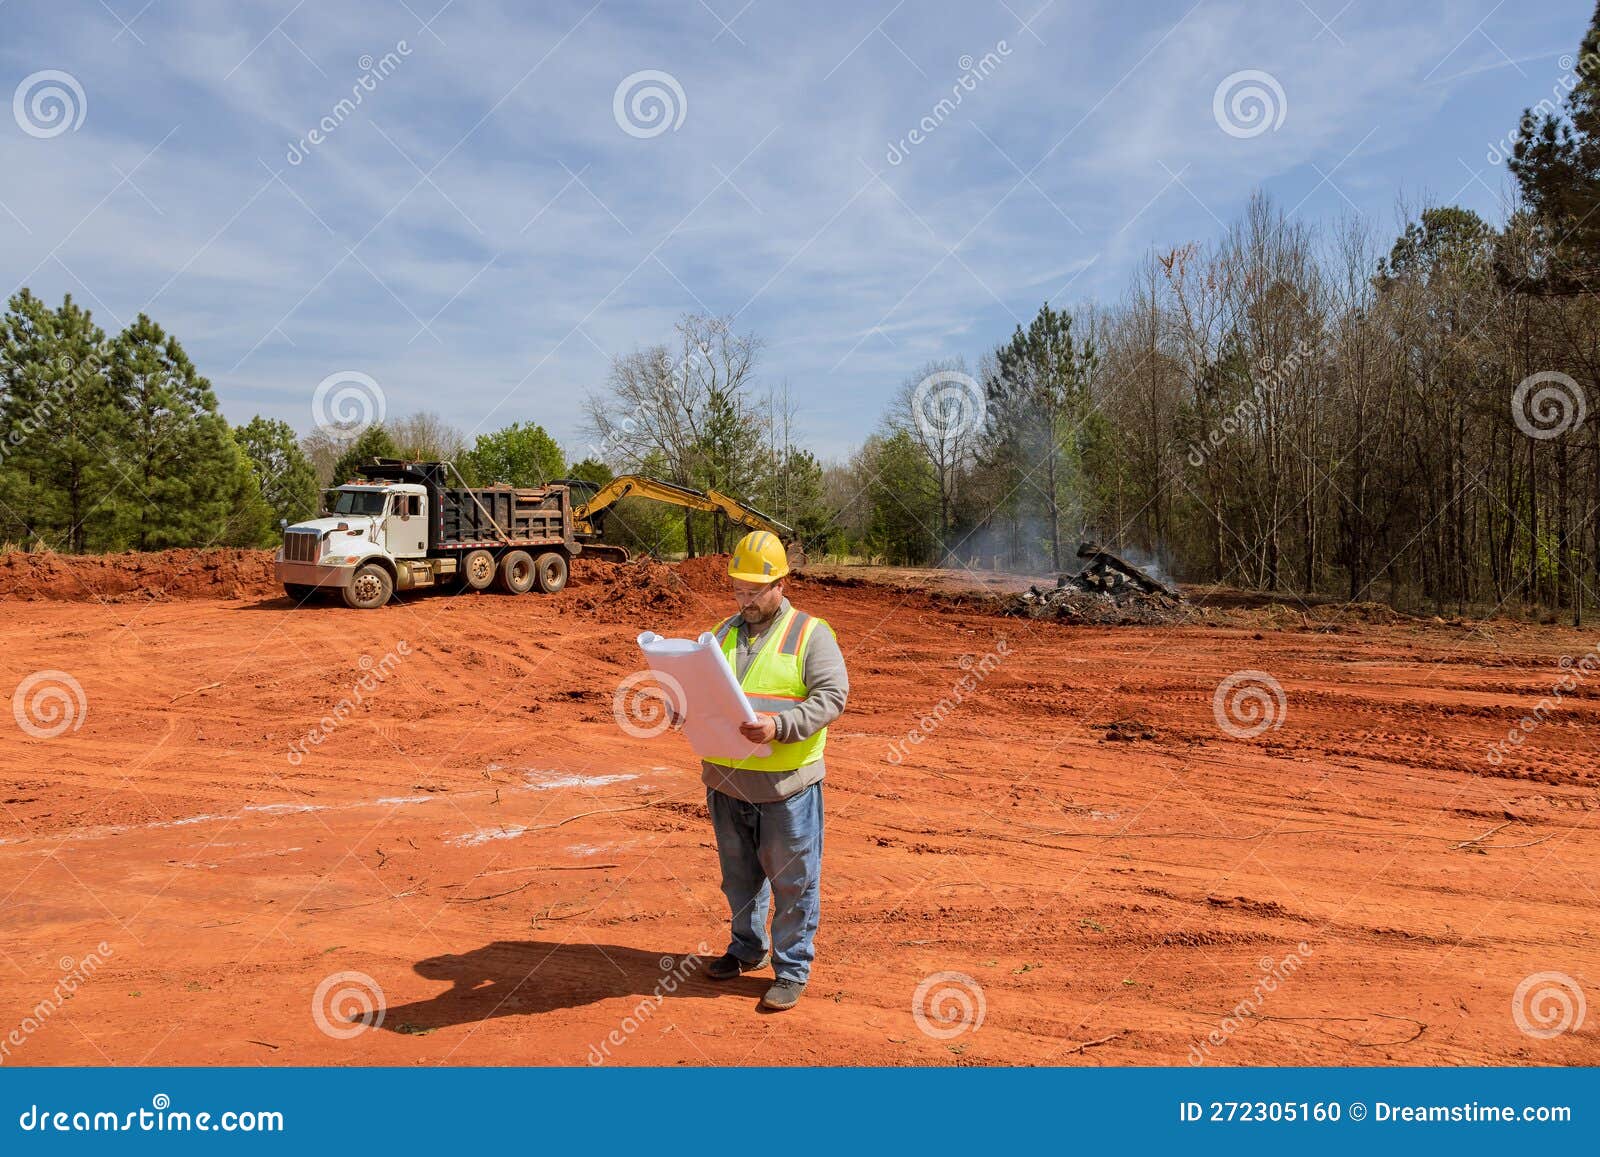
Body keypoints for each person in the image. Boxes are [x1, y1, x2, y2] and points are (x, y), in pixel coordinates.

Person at [696, 531, 849, 1011]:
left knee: (792, 882)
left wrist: (781, 725)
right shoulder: (720, 634)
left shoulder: (810, 633)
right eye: (738, 590)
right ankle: (746, 949)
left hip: (788, 788)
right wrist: (683, 708)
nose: (745, 601)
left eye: (754, 591)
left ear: (781, 583)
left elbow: (832, 698)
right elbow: (705, 694)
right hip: (726, 783)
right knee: (738, 879)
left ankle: (792, 969)